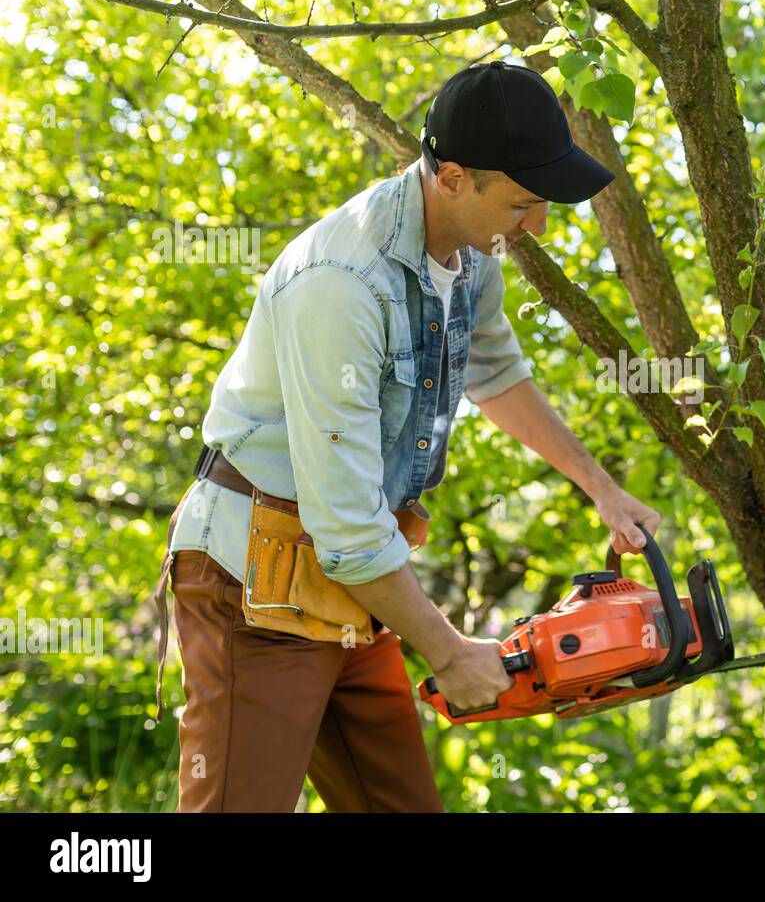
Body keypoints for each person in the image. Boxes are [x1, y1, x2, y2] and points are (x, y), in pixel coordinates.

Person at [152, 60, 661, 812]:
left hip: (353, 582)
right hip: (254, 582)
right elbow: (347, 525)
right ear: (453, 177)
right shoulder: (341, 284)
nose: (539, 224)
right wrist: (450, 652)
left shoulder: (472, 255)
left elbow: (496, 375)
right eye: (524, 202)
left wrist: (604, 490)